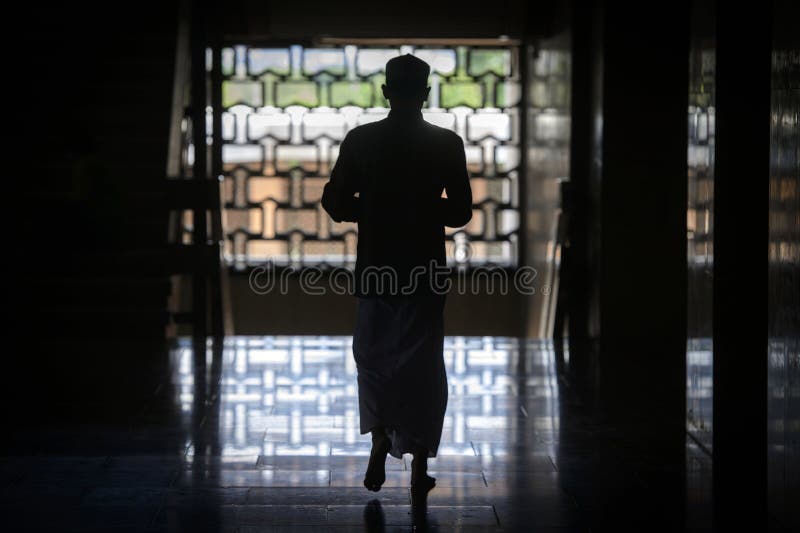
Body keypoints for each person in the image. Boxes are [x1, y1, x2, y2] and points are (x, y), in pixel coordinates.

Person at [321, 53, 473, 495]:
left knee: (374, 359)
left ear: (386, 92)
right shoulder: (447, 144)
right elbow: (460, 211)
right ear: (426, 93)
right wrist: (420, 208)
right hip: (425, 269)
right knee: (423, 364)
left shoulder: (361, 140)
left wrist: (373, 208)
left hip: (376, 268)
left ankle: (380, 437)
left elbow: (335, 202)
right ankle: (420, 466)